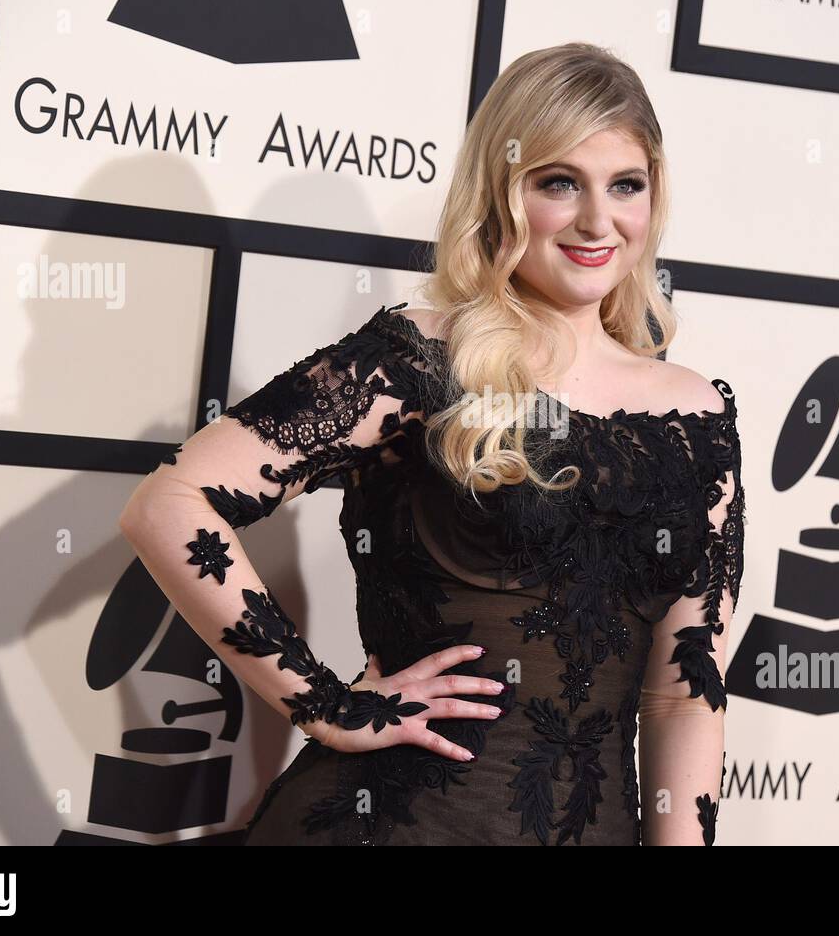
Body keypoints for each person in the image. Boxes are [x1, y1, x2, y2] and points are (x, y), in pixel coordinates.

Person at [118, 42, 745, 846]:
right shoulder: (418, 359)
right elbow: (171, 504)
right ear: (503, 190)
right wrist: (328, 705)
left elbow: (682, 694)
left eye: (625, 185)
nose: (598, 220)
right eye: (560, 183)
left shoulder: (696, 417)